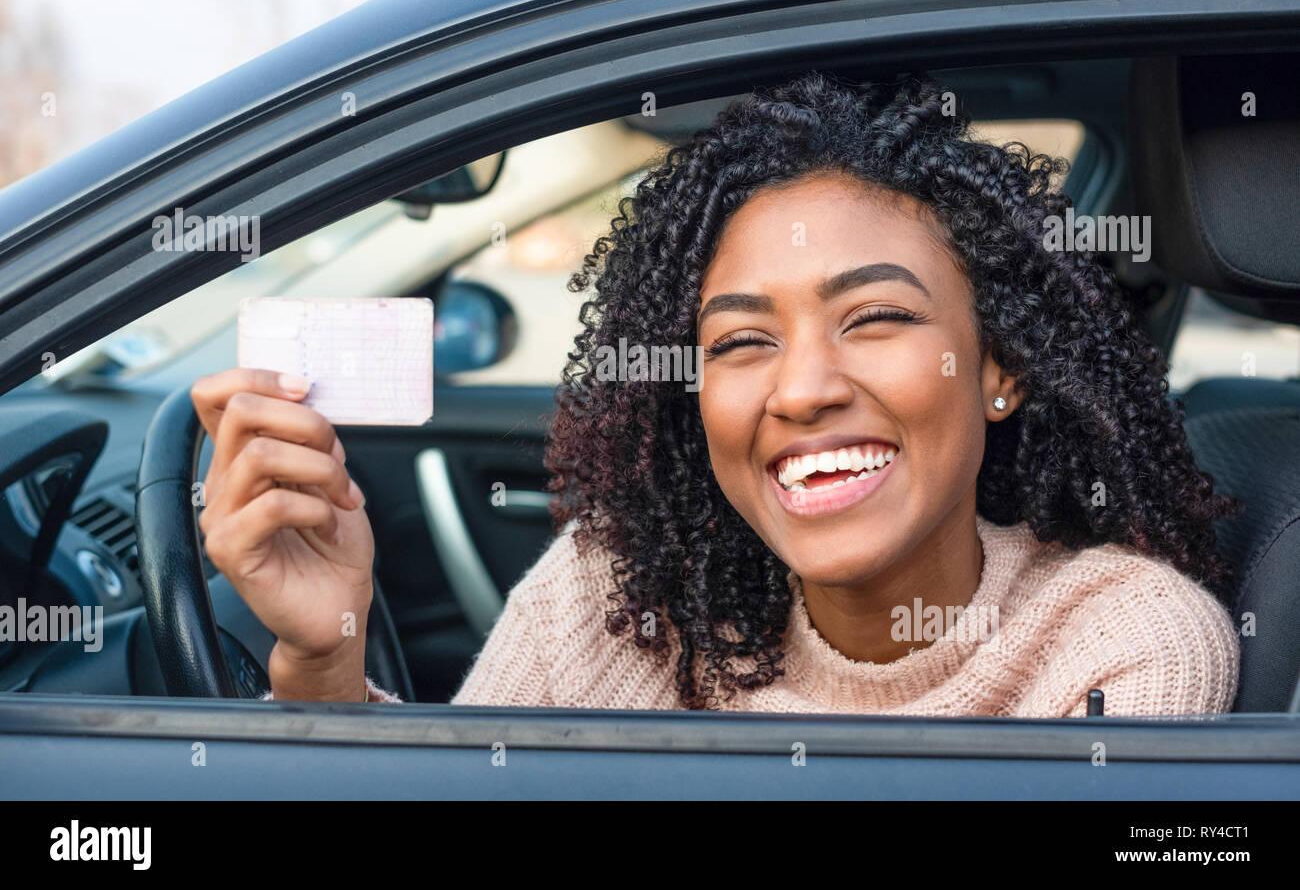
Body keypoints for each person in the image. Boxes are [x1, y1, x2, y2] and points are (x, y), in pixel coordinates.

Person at [191, 71, 1240, 715]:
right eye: (741, 340)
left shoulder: (1122, 642)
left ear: (999, 369)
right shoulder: (613, 600)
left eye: (874, 318)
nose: (803, 388)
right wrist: (323, 658)